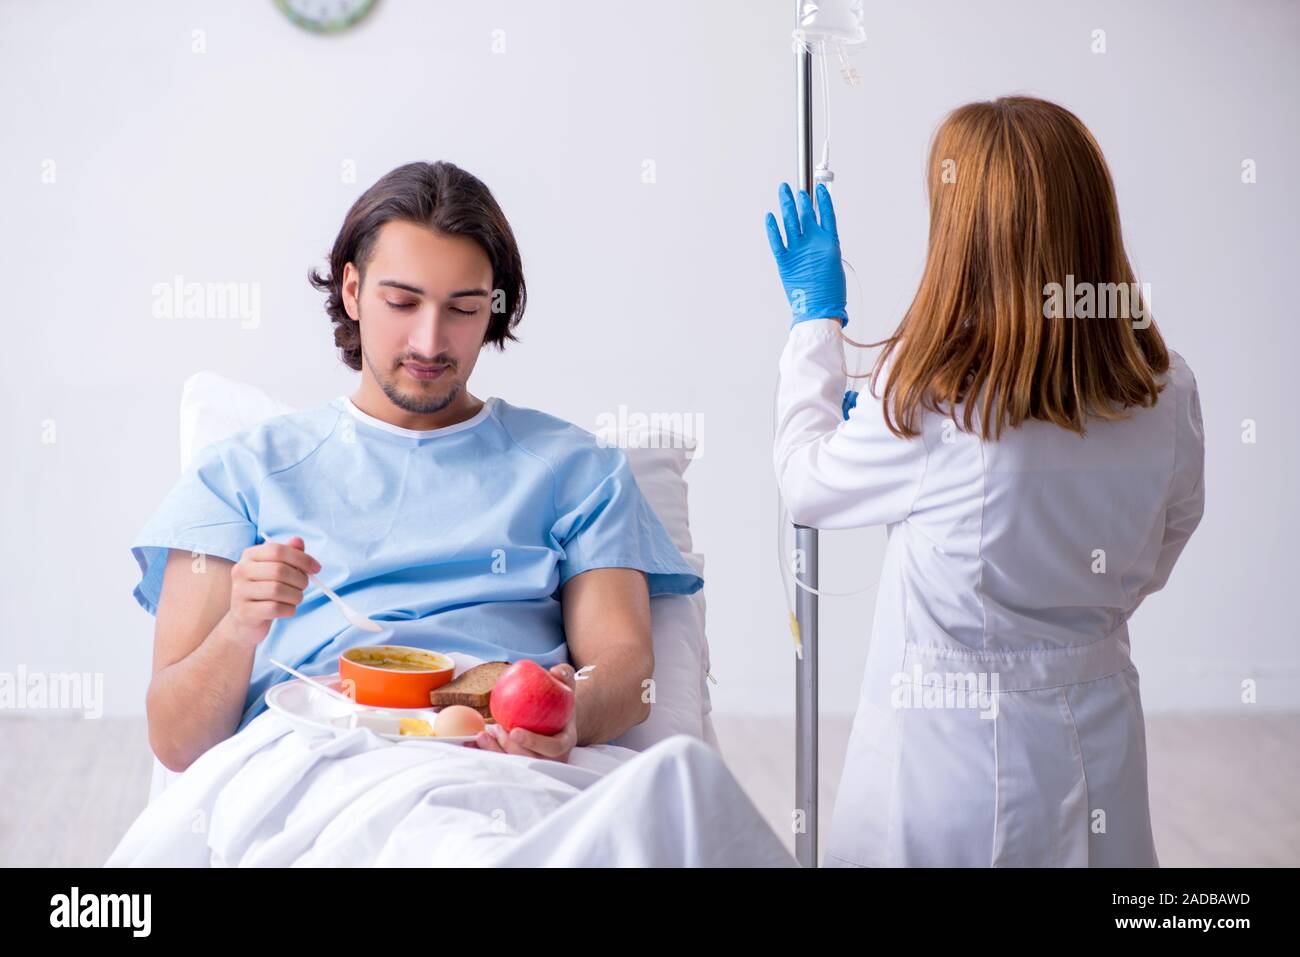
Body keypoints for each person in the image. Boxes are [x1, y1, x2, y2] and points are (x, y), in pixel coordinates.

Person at [132, 161, 702, 773]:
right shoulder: (242, 474)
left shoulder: (576, 469)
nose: (430, 343)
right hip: (318, 763)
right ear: (351, 291)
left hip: (507, 764)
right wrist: (239, 628)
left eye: (462, 308)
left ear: (494, 310)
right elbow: (175, 740)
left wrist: (570, 715)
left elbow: (624, 669)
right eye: (402, 301)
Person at [765, 96, 1204, 866]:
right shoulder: (1164, 389)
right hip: (1100, 737)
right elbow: (1170, 530)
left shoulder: (932, 396)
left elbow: (806, 482)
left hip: (949, 766)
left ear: (963, 235)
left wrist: (815, 320)